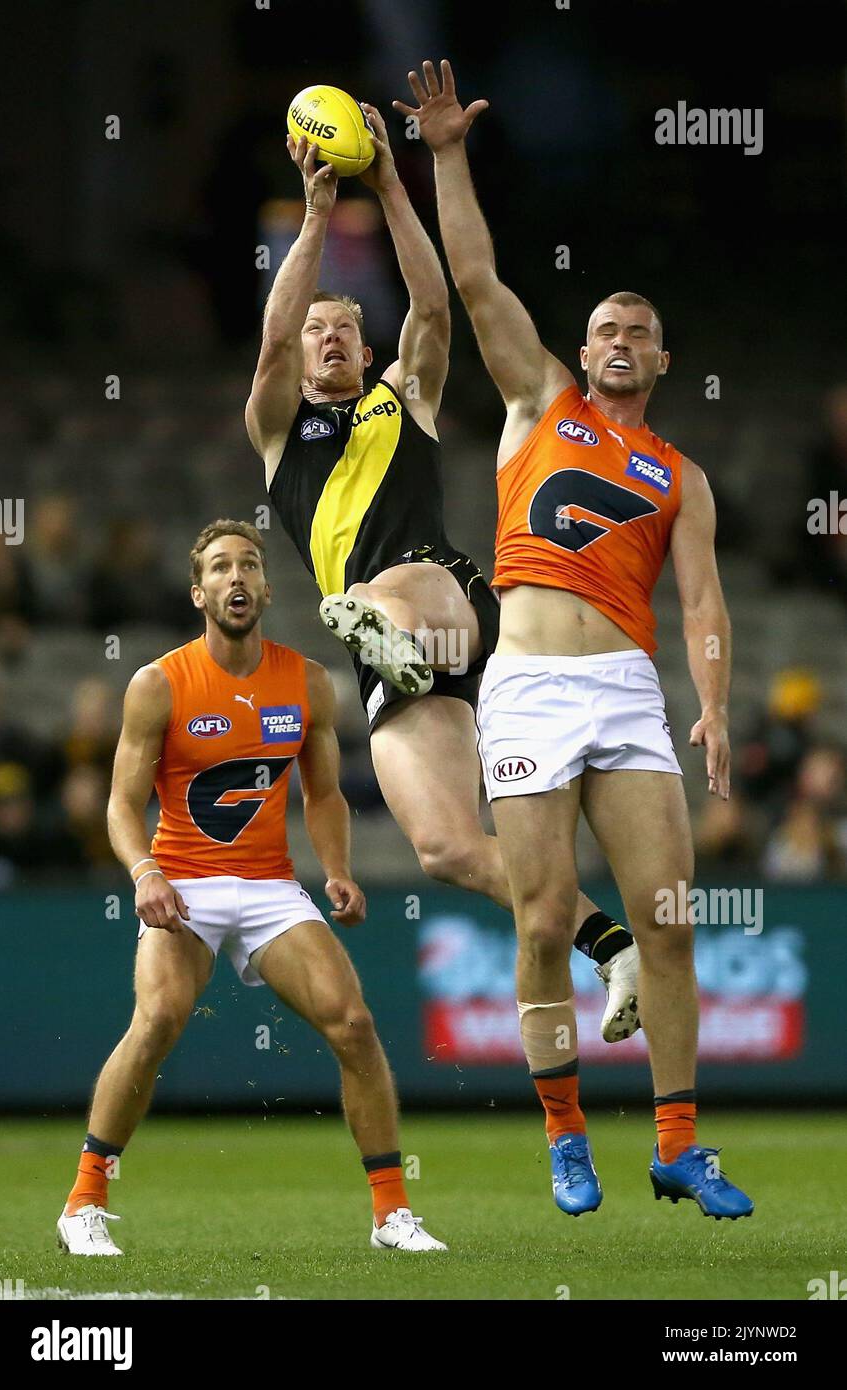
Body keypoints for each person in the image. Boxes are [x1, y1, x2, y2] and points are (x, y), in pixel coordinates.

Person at [399, 59, 753, 1219]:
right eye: (602, 324)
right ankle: (563, 1137)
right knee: (544, 918)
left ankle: (676, 1148)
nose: (612, 338)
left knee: (665, 917)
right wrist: (447, 153)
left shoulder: (679, 476)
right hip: (531, 685)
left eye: (634, 332)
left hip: (624, 688)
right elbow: (475, 275)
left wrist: (710, 699)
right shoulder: (534, 402)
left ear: (659, 360)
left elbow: (700, 604)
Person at [245, 108, 640, 1044]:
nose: (330, 338)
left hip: (449, 598)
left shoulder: (400, 399)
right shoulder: (277, 436)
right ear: (299, 357)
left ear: (368, 352)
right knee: (446, 849)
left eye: (344, 327)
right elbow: (266, 345)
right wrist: (312, 218)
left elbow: (431, 306)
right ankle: (610, 944)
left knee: (370, 594)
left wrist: (389, 183)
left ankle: (383, 628)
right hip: (397, 659)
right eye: (316, 332)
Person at [56, 520, 445, 1255]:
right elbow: (118, 805)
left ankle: (392, 1214)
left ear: (266, 588)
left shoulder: (306, 681)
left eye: (250, 566)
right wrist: (144, 874)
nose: (237, 578)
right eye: (221, 569)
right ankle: (83, 1199)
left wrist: (335, 869)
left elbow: (322, 795)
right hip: (185, 884)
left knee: (355, 1026)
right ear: (199, 592)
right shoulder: (157, 684)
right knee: (160, 1018)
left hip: (269, 886)